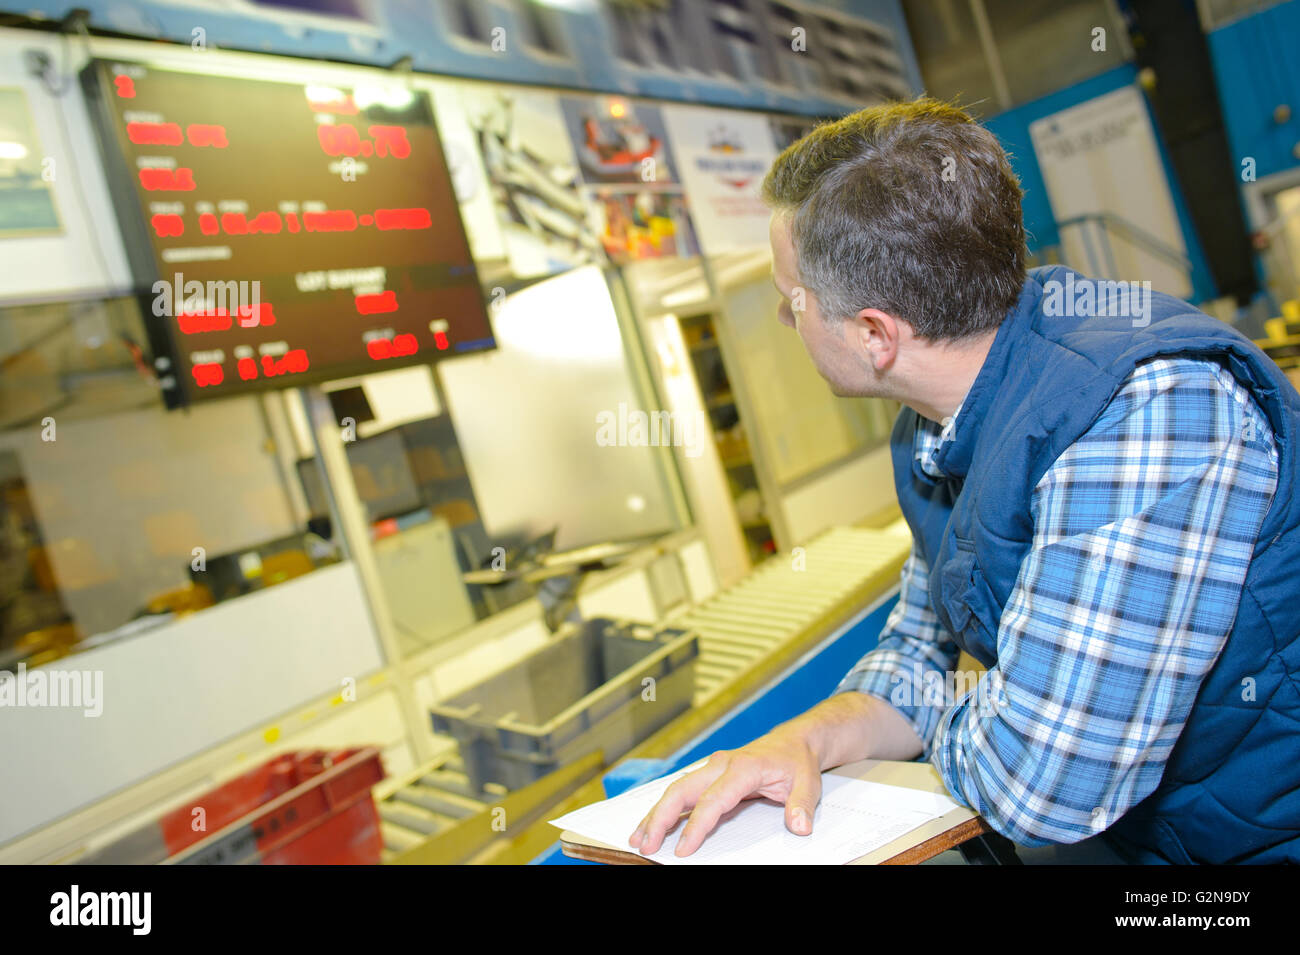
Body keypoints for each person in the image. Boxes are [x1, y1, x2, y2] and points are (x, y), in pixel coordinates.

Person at [628, 97, 1300, 865]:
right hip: (1156, 842)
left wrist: (980, 716)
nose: (788, 323)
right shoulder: (937, 426)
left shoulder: (1142, 411)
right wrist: (803, 740)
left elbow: (1042, 784)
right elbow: (919, 652)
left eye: (794, 305)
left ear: (874, 334)